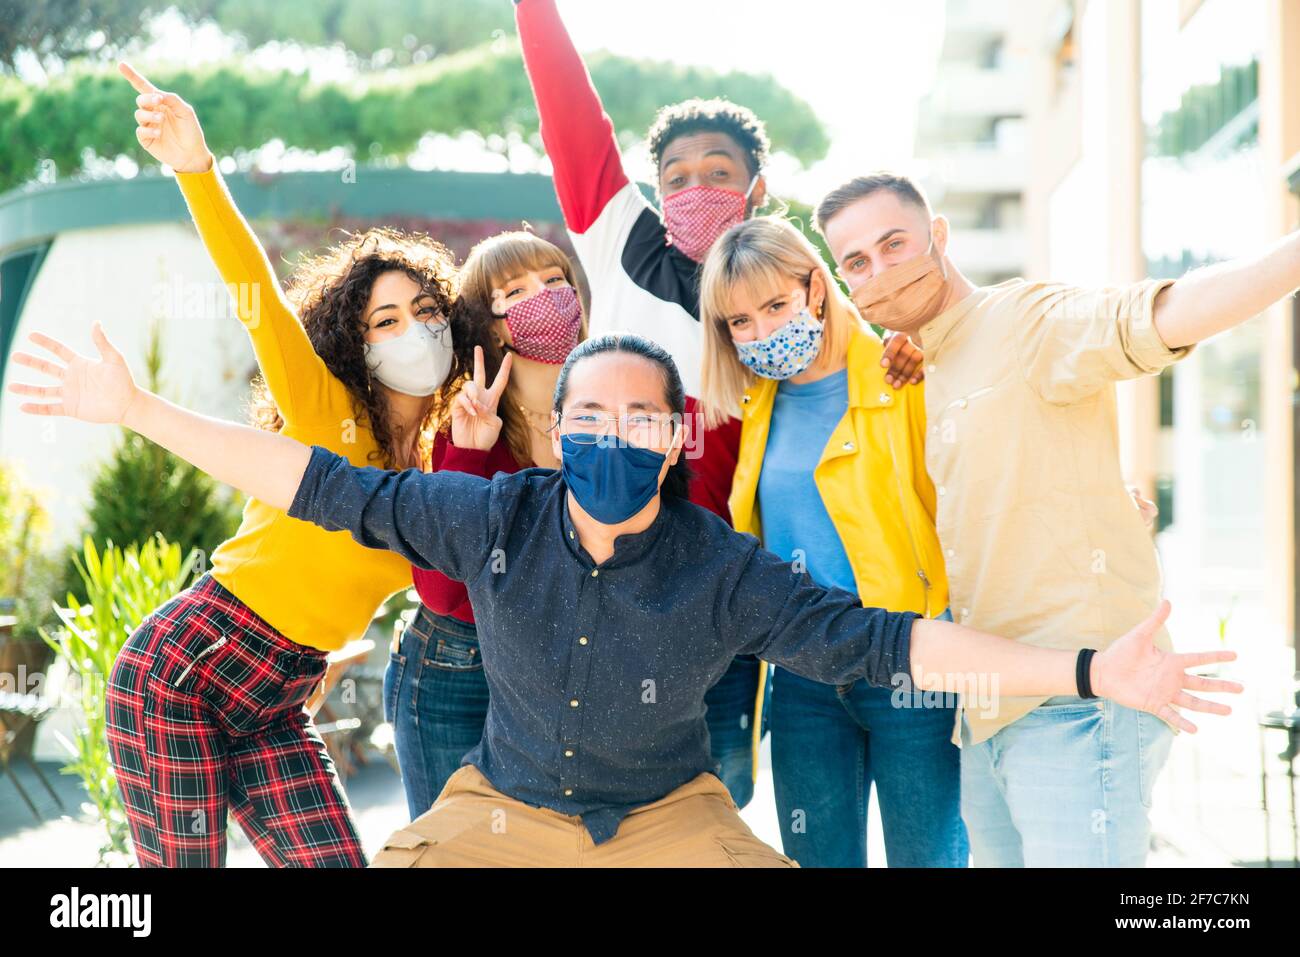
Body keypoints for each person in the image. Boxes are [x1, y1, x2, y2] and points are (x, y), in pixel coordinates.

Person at [8, 325, 1242, 867]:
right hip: (502, 814)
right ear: (559, 438)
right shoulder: (493, 513)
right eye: (583, 413)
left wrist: (1089, 672)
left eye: (634, 416)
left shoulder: (723, 566)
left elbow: (889, 645)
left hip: (668, 822)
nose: (607, 432)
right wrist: (135, 412)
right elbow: (320, 484)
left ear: (670, 437)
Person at [814, 170, 1298, 866]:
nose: (881, 271)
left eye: (895, 244)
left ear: (938, 237)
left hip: (1084, 708)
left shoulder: (1026, 319)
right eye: (857, 263)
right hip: (992, 712)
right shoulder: (934, 357)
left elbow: (1162, 314)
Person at [513, 0, 921, 808]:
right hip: (612, 585)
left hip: (728, 605)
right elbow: (568, 107)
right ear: (652, 190)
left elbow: (863, 343)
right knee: (600, 805)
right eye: (677, 178)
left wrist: (912, 350)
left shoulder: (777, 303)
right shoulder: (619, 241)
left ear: (757, 189)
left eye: (719, 174)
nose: (697, 187)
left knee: (716, 805)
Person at [88, 63, 471, 866]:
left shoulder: (449, 474)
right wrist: (197, 167)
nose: (413, 330)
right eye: (387, 318)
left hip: (278, 704)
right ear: (357, 342)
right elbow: (251, 285)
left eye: (428, 311)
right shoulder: (322, 409)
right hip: (180, 676)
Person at [697, 216, 965, 867]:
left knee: (928, 859)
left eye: (775, 305)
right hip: (800, 672)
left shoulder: (906, 374)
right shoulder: (751, 405)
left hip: (912, 663)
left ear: (815, 289)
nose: (761, 332)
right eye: (740, 321)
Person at [390, 229, 587, 819]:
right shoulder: (465, 427)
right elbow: (444, 591)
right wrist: (473, 457)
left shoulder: (610, 412)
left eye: (556, 281)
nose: (546, 296)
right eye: (517, 290)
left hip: (558, 668)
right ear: (494, 324)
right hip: (456, 666)